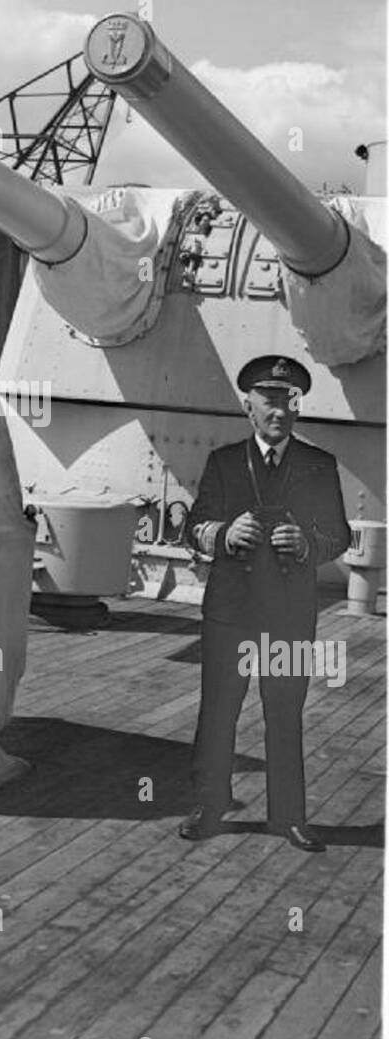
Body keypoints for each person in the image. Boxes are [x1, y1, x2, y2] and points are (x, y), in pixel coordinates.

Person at [180, 355, 351, 852]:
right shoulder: (223, 462)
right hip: (230, 613)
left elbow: (338, 535)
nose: (279, 410)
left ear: (297, 408)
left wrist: (307, 544)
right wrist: (223, 533)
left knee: (284, 712)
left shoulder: (320, 467)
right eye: (269, 400)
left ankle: (289, 818)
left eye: (288, 400)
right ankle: (209, 806)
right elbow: (194, 526)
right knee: (218, 711)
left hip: (288, 616)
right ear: (248, 405)